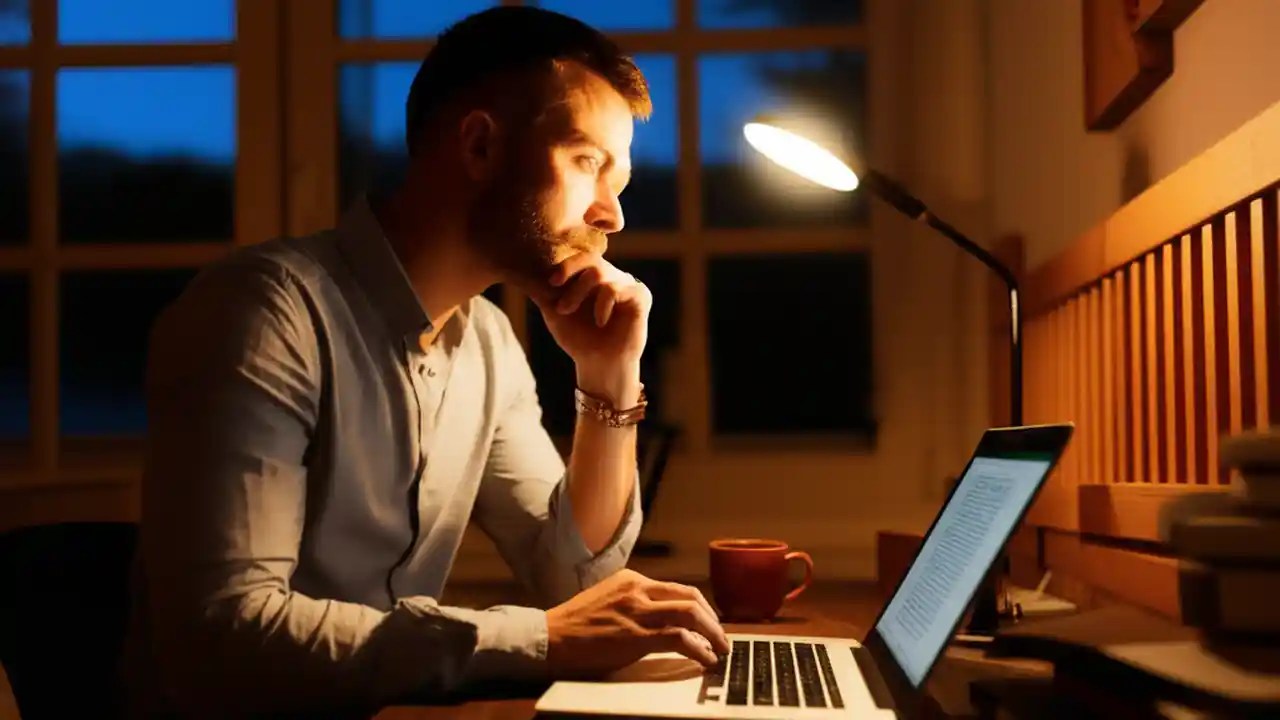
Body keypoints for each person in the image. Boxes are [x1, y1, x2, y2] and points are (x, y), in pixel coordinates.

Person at [123, 7, 729, 717]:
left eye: (616, 180)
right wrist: (538, 639)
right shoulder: (263, 314)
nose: (611, 215)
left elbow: (576, 585)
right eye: (587, 162)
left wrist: (609, 375)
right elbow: (226, 636)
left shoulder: (488, 346)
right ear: (480, 146)